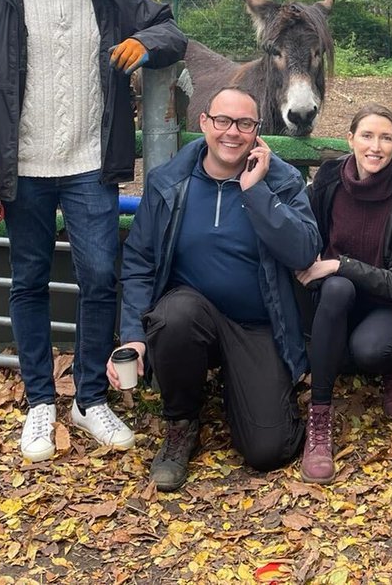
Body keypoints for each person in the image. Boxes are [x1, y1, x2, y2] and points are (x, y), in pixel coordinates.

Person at [0, 0, 187, 462]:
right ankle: (40, 400)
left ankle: (88, 397)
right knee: (29, 281)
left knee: (100, 278)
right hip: (23, 166)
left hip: (90, 163)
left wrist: (143, 41)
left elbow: (169, 28)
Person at [112, 86, 321, 491]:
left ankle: (242, 393)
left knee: (268, 450)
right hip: (192, 316)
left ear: (257, 131)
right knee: (174, 317)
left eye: (244, 123)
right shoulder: (169, 181)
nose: (232, 132)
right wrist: (135, 337)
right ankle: (182, 421)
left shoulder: (281, 180)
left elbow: (304, 251)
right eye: (223, 121)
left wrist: (256, 191)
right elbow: (139, 262)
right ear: (205, 123)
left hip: (258, 324)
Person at [295, 104, 392, 483]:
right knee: (338, 288)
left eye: (386, 138)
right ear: (351, 139)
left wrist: (339, 263)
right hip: (336, 297)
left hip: (390, 303)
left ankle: (391, 365)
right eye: (367, 136)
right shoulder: (328, 181)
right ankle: (320, 418)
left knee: (368, 348)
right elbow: (303, 231)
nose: (375, 146)